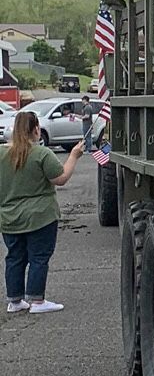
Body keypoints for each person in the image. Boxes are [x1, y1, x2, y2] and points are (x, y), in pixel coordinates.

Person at [2, 108, 87, 315]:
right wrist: (74, 155)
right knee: (39, 257)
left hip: (8, 217)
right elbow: (60, 179)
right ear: (36, 130)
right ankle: (37, 300)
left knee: (14, 257)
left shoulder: (2, 153)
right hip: (40, 216)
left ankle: (15, 300)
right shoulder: (41, 154)